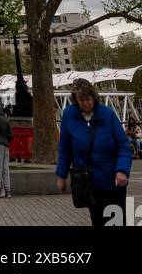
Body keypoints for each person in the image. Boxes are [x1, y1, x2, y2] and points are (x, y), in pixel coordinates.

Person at [56, 78, 132, 227]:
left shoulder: (107, 114)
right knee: (98, 220)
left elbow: (123, 145)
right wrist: (61, 175)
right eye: (81, 100)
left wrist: (122, 170)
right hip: (88, 182)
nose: (85, 103)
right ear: (75, 100)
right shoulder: (69, 115)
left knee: (115, 222)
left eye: (88, 99)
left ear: (94, 97)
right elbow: (65, 148)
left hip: (112, 181)